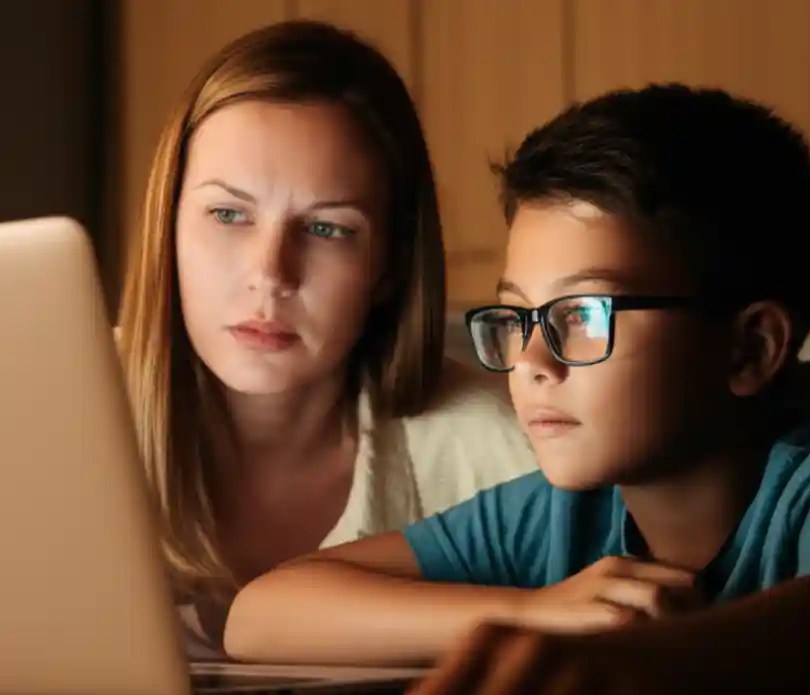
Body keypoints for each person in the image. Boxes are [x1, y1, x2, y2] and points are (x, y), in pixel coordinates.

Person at [224, 84, 810, 695]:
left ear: (749, 348)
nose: (532, 362)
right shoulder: (561, 515)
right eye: (518, 316)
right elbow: (261, 616)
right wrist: (537, 614)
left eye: (582, 316)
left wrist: (652, 659)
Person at [114, 20, 535, 658]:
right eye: (228, 215)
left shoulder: (501, 449)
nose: (270, 275)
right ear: (166, 228)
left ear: (390, 265)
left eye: (327, 229)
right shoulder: (57, 412)